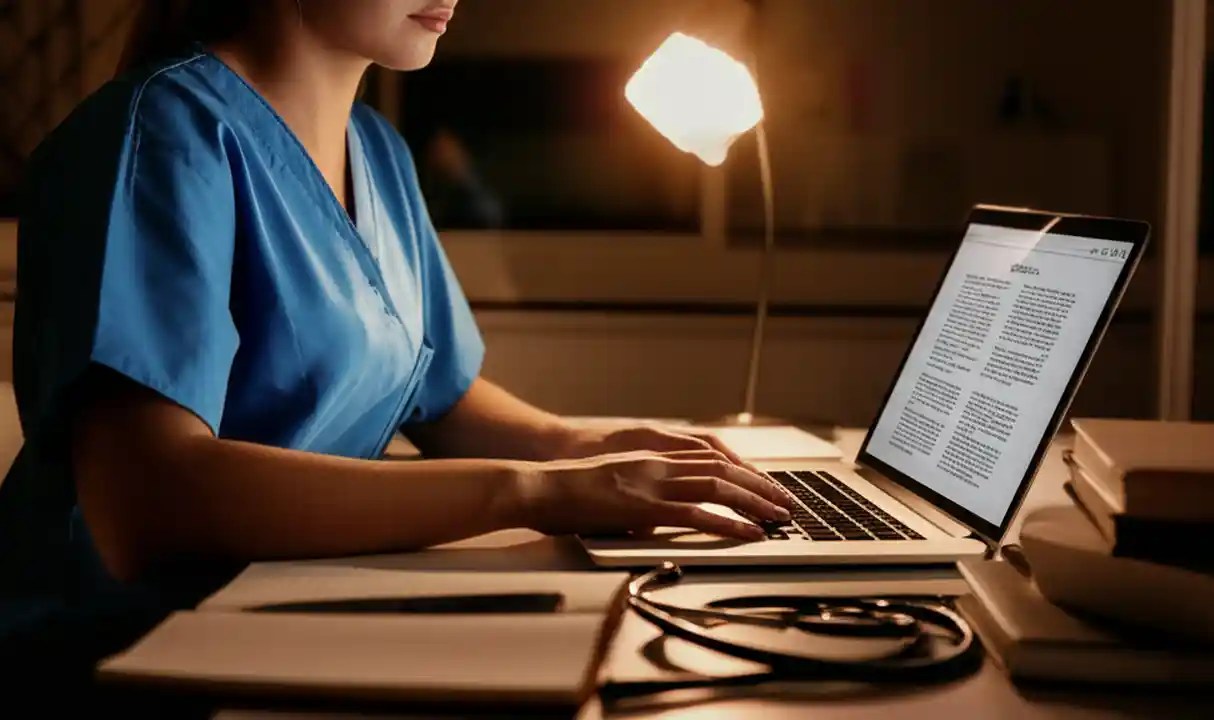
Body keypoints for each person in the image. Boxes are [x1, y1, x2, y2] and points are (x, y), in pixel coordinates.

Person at [0, 0, 791, 659]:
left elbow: (437, 396)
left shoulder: (378, 153)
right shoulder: (160, 137)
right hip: (115, 651)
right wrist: (534, 491)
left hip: (279, 619)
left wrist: (586, 448)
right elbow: (144, 503)